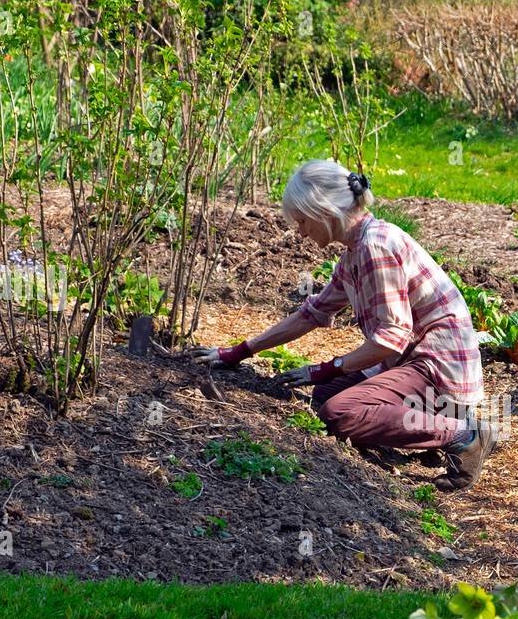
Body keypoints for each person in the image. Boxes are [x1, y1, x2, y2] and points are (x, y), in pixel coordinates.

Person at [190, 159, 495, 491]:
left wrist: (323, 368)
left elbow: (391, 339)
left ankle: (464, 436)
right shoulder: (354, 253)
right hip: (415, 362)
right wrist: (242, 351)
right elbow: (313, 313)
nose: (301, 232)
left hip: (438, 366)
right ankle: (429, 429)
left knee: (340, 413)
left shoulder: (375, 248)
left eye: (303, 221)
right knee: (327, 393)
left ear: (324, 211)